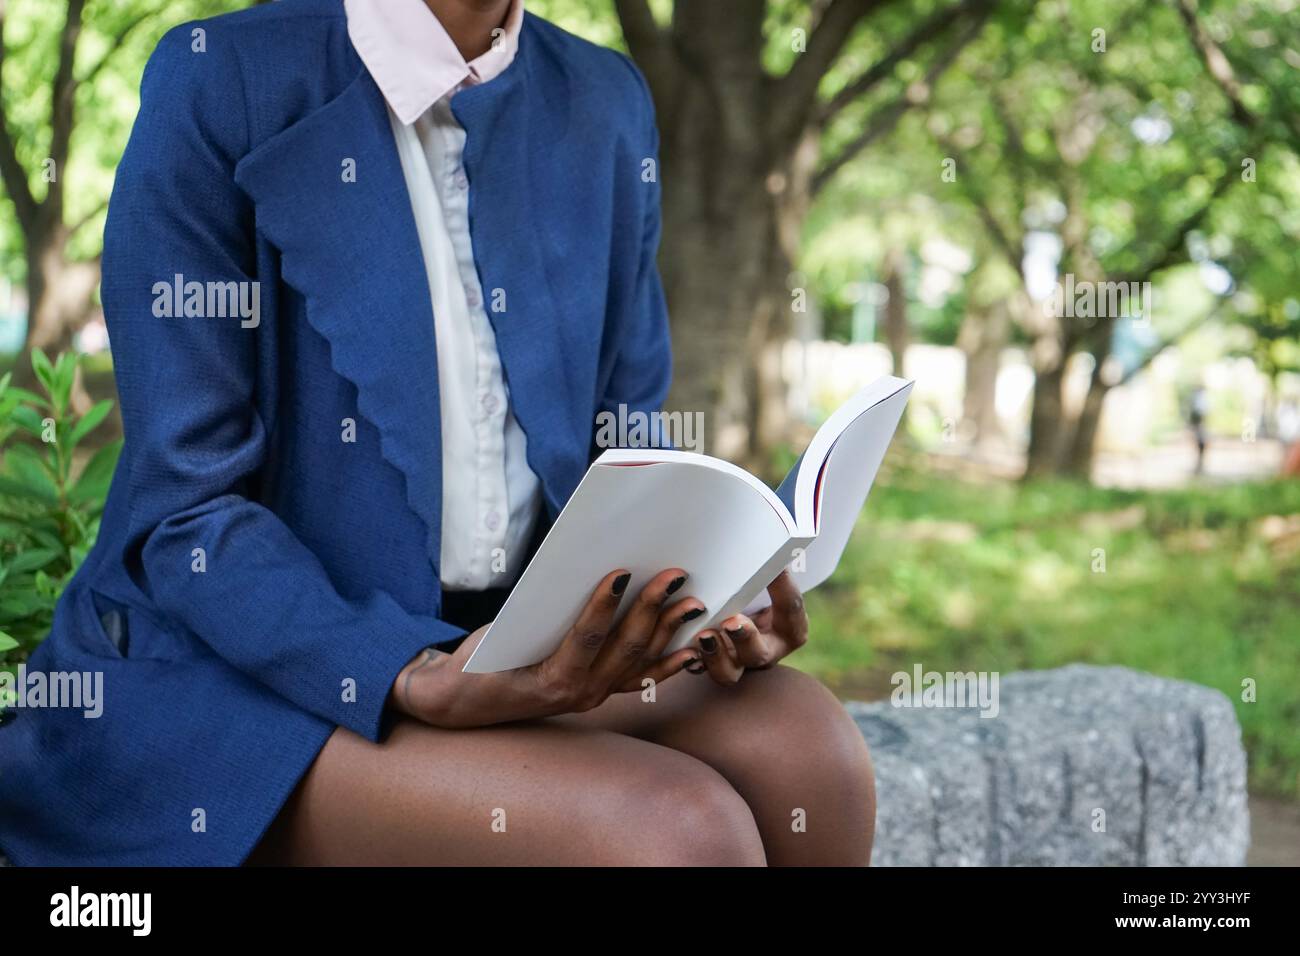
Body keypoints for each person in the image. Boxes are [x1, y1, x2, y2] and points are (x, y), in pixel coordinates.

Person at [0, 0, 875, 867]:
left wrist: (699, 597)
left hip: (509, 645)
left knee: (809, 755)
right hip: (234, 670)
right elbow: (186, 515)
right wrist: (407, 669)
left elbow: (624, 445)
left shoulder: (607, 99)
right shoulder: (219, 77)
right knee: (676, 833)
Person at [1188, 384, 1210, 475]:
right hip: (1199, 424)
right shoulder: (1202, 398)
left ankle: (1200, 465)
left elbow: (1201, 412)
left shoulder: (1201, 399)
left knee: (1201, 444)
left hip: (1199, 424)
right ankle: (1199, 465)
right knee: (1199, 444)